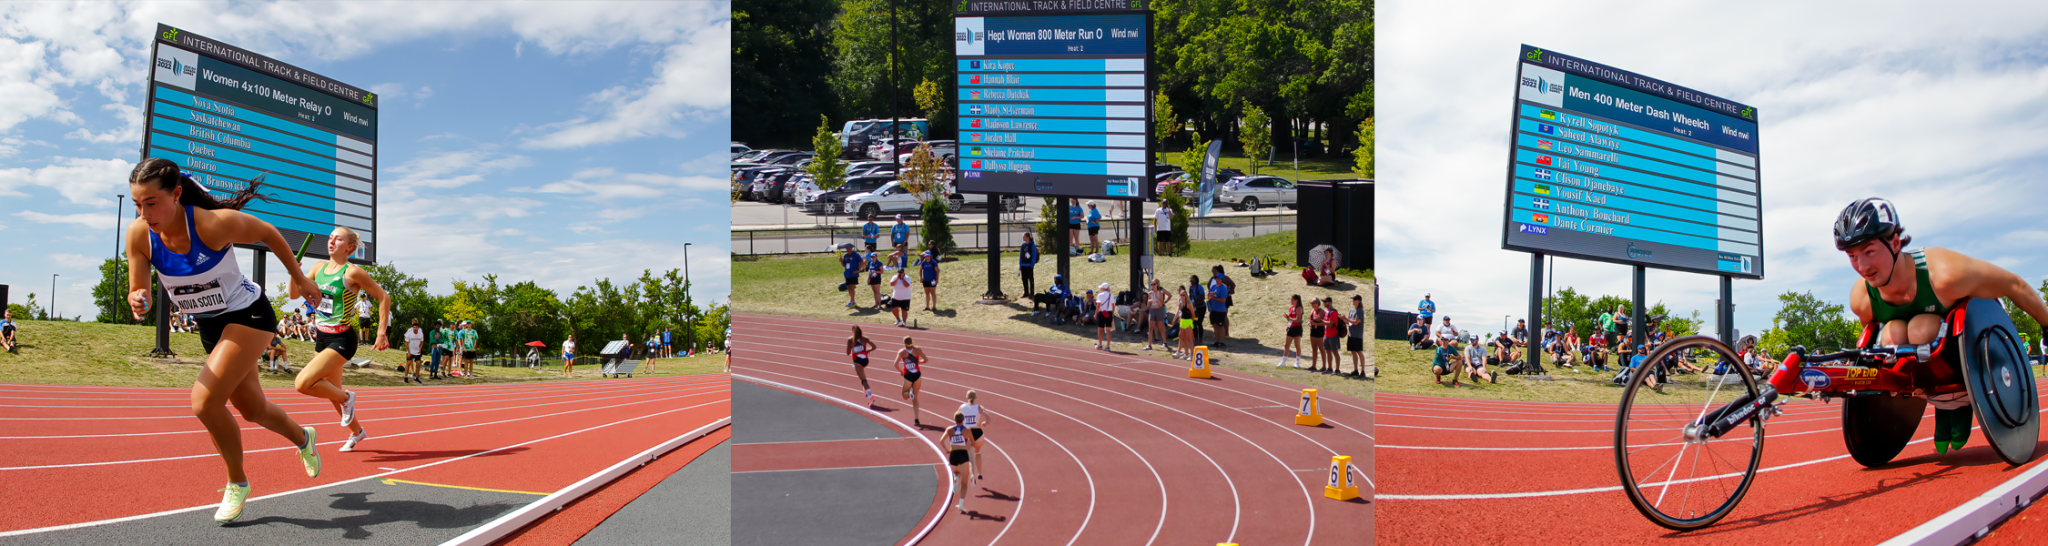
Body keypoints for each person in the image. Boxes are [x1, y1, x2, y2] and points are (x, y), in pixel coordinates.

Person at [122, 158, 321, 524]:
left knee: (204, 402)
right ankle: (303, 438)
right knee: (252, 409)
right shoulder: (138, 234)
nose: (143, 212)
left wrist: (301, 278)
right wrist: (139, 299)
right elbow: (141, 289)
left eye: (151, 203)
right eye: (137, 204)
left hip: (249, 314)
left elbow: (268, 232)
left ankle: (237, 481)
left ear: (176, 194)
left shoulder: (212, 224)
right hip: (211, 325)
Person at [1831, 198, 2048, 453]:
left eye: (1869, 252)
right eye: (1852, 256)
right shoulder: (1862, 299)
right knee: (1891, 335)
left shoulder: (1945, 273)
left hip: (1969, 348)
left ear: (1896, 243)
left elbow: (2015, 285)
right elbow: (1871, 341)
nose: (1863, 267)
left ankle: (1961, 401)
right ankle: (1942, 401)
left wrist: (2046, 325)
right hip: (1924, 370)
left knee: (1921, 328)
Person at [293, 226, 390, 453]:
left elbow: (384, 297)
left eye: (338, 239)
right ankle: (357, 432)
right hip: (322, 336)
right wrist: (293, 271)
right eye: (330, 237)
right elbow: (293, 294)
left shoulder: (352, 272)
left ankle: (348, 397)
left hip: (343, 339)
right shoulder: (318, 267)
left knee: (303, 383)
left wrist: (381, 332)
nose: (331, 241)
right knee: (331, 393)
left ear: (349, 247)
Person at [942, 410, 977, 514]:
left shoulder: (949, 429)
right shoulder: (967, 430)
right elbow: (973, 442)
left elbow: (941, 441)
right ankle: (961, 504)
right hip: (963, 454)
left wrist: (946, 449)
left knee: (957, 472)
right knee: (965, 483)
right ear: (963, 419)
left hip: (953, 455)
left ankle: (956, 478)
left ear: (954, 419)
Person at [896, 336, 929, 427]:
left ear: (904, 343)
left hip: (908, 376)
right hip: (917, 375)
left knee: (905, 396)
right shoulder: (917, 349)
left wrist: (901, 371)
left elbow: (895, 364)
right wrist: (918, 362)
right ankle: (916, 418)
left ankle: (910, 391)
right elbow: (926, 360)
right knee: (915, 398)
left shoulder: (902, 352)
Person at [959, 389, 989, 483]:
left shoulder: (962, 407)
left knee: (970, 456)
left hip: (967, 432)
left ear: (967, 397)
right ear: (975, 397)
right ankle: (979, 474)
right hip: (978, 433)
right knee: (977, 452)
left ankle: (972, 475)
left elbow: (956, 417)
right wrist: (985, 422)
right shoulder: (979, 407)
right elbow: (988, 417)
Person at [847, 326, 878, 407]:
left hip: (857, 362)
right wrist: (867, 350)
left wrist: (852, 348)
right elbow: (874, 347)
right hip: (865, 360)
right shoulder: (865, 338)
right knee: (862, 376)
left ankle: (871, 397)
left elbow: (847, 353)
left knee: (864, 380)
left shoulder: (850, 340)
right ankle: (865, 389)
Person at [1206, 270, 1232, 348]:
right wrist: (1210, 296)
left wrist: (1213, 298)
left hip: (1220, 310)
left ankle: (1222, 342)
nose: (1217, 280)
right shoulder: (1213, 287)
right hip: (1213, 309)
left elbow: (1223, 300)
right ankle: (1217, 341)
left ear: (1221, 279)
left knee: (1220, 326)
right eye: (1216, 278)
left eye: (1218, 279)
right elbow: (1209, 296)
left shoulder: (1223, 288)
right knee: (1214, 325)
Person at [1276, 296, 1302, 368]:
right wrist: (1287, 317)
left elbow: (1297, 320)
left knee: (1297, 345)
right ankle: (1283, 361)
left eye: (1292, 299)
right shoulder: (1291, 307)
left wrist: (1289, 318)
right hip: (1291, 327)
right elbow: (1290, 320)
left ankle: (1297, 362)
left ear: (1296, 300)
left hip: (1297, 328)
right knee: (1286, 345)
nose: (1291, 300)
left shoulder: (1299, 308)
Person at [1146, 279, 1171, 351]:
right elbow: (1148, 304)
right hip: (1152, 310)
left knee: (1161, 327)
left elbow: (1161, 304)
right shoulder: (1150, 293)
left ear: (1157, 284)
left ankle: (1165, 342)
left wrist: (1157, 297)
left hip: (1159, 310)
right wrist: (1149, 301)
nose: (1153, 286)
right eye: (1152, 284)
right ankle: (1149, 344)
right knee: (1150, 328)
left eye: (1154, 284)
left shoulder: (1160, 293)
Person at [1321, 297, 1344, 373]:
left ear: (1330, 303)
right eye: (1324, 302)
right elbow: (1325, 322)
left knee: (1335, 352)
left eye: (1325, 302)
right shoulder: (1326, 311)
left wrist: (1321, 321)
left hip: (1333, 335)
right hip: (1326, 334)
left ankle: (1337, 369)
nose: (1324, 303)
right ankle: (1329, 368)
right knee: (1328, 352)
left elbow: (1331, 324)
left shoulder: (1333, 312)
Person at [1348, 295, 1369, 377]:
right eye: (1353, 299)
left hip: (1357, 335)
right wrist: (1343, 319)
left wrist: (1346, 319)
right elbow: (1349, 321)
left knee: (1359, 352)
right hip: (1351, 334)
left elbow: (1356, 322)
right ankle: (1355, 370)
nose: (1353, 300)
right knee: (1353, 352)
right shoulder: (1351, 310)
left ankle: (1363, 371)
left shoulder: (1360, 310)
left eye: (1354, 299)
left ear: (1359, 301)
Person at [1094, 283, 1116, 351]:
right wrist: (1112, 313)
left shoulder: (1100, 295)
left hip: (1102, 313)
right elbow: (1113, 306)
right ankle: (1108, 346)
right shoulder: (1111, 295)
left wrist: (1095, 314)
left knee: (1100, 329)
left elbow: (1098, 305)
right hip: (1109, 313)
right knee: (1108, 330)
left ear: (1103, 288)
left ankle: (1100, 344)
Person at [1186, 275, 1207, 344]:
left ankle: (1200, 339)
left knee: (1199, 323)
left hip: (1201, 307)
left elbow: (1202, 298)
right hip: (1194, 308)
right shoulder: (1190, 288)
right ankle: (1195, 338)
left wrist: (1195, 304)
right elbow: (1190, 296)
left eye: (1192, 279)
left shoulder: (1200, 287)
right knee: (1194, 323)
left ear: (1196, 280)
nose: (1191, 280)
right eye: (1190, 279)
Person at [1306, 298, 1325, 369]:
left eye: (1313, 303)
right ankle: (1313, 365)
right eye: (1311, 303)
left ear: (1318, 304)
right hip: (1313, 331)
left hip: (1320, 332)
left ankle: (1324, 366)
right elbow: (1311, 320)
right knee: (1314, 349)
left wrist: (1314, 322)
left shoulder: (1321, 311)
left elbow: (1323, 322)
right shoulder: (1312, 311)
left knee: (1321, 349)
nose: (1312, 304)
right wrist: (1310, 322)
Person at [1019, 232, 1039, 298]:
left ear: (1027, 237)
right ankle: (1026, 292)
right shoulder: (1023, 245)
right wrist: (1020, 265)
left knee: (1030, 279)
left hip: (1029, 265)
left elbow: (1034, 255)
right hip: (1023, 265)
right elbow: (1021, 255)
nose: (1023, 238)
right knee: (1024, 279)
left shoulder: (1032, 245)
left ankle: (1032, 293)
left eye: (1024, 236)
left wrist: (1032, 265)